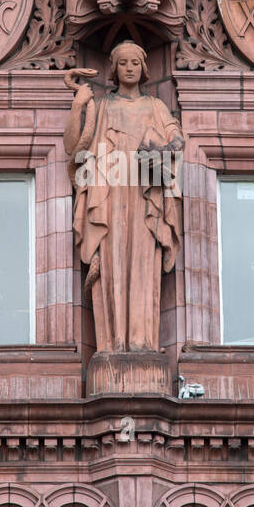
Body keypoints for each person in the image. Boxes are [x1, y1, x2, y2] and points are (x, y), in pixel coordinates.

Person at [64, 41, 185, 353]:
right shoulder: (102, 106)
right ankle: (112, 343)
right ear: (114, 69)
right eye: (123, 63)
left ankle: (143, 341)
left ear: (143, 69)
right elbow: (74, 148)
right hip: (110, 194)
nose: (129, 68)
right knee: (113, 262)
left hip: (146, 194)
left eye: (134, 63)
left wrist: (164, 147)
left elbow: (177, 138)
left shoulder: (156, 107)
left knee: (145, 265)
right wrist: (79, 105)